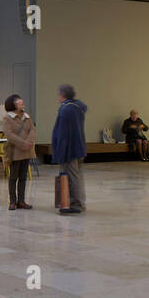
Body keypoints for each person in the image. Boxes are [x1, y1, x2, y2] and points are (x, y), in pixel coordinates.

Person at [51, 84, 87, 214]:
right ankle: (80, 202)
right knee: (78, 176)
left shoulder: (66, 109)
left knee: (72, 177)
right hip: (79, 147)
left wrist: (61, 151)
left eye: (58, 94)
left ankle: (75, 204)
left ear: (62, 95)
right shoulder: (78, 107)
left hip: (70, 149)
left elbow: (63, 133)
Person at [1, 94, 35, 211]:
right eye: (20, 102)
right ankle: (12, 202)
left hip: (27, 151)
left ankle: (21, 201)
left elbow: (32, 130)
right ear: (13, 104)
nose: (22, 103)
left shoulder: (27, 116)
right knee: (13, 177)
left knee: (23, 177)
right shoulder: (7, 118)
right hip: (15, 151)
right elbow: (9, 134)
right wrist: (22, 143)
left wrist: (29, 142)